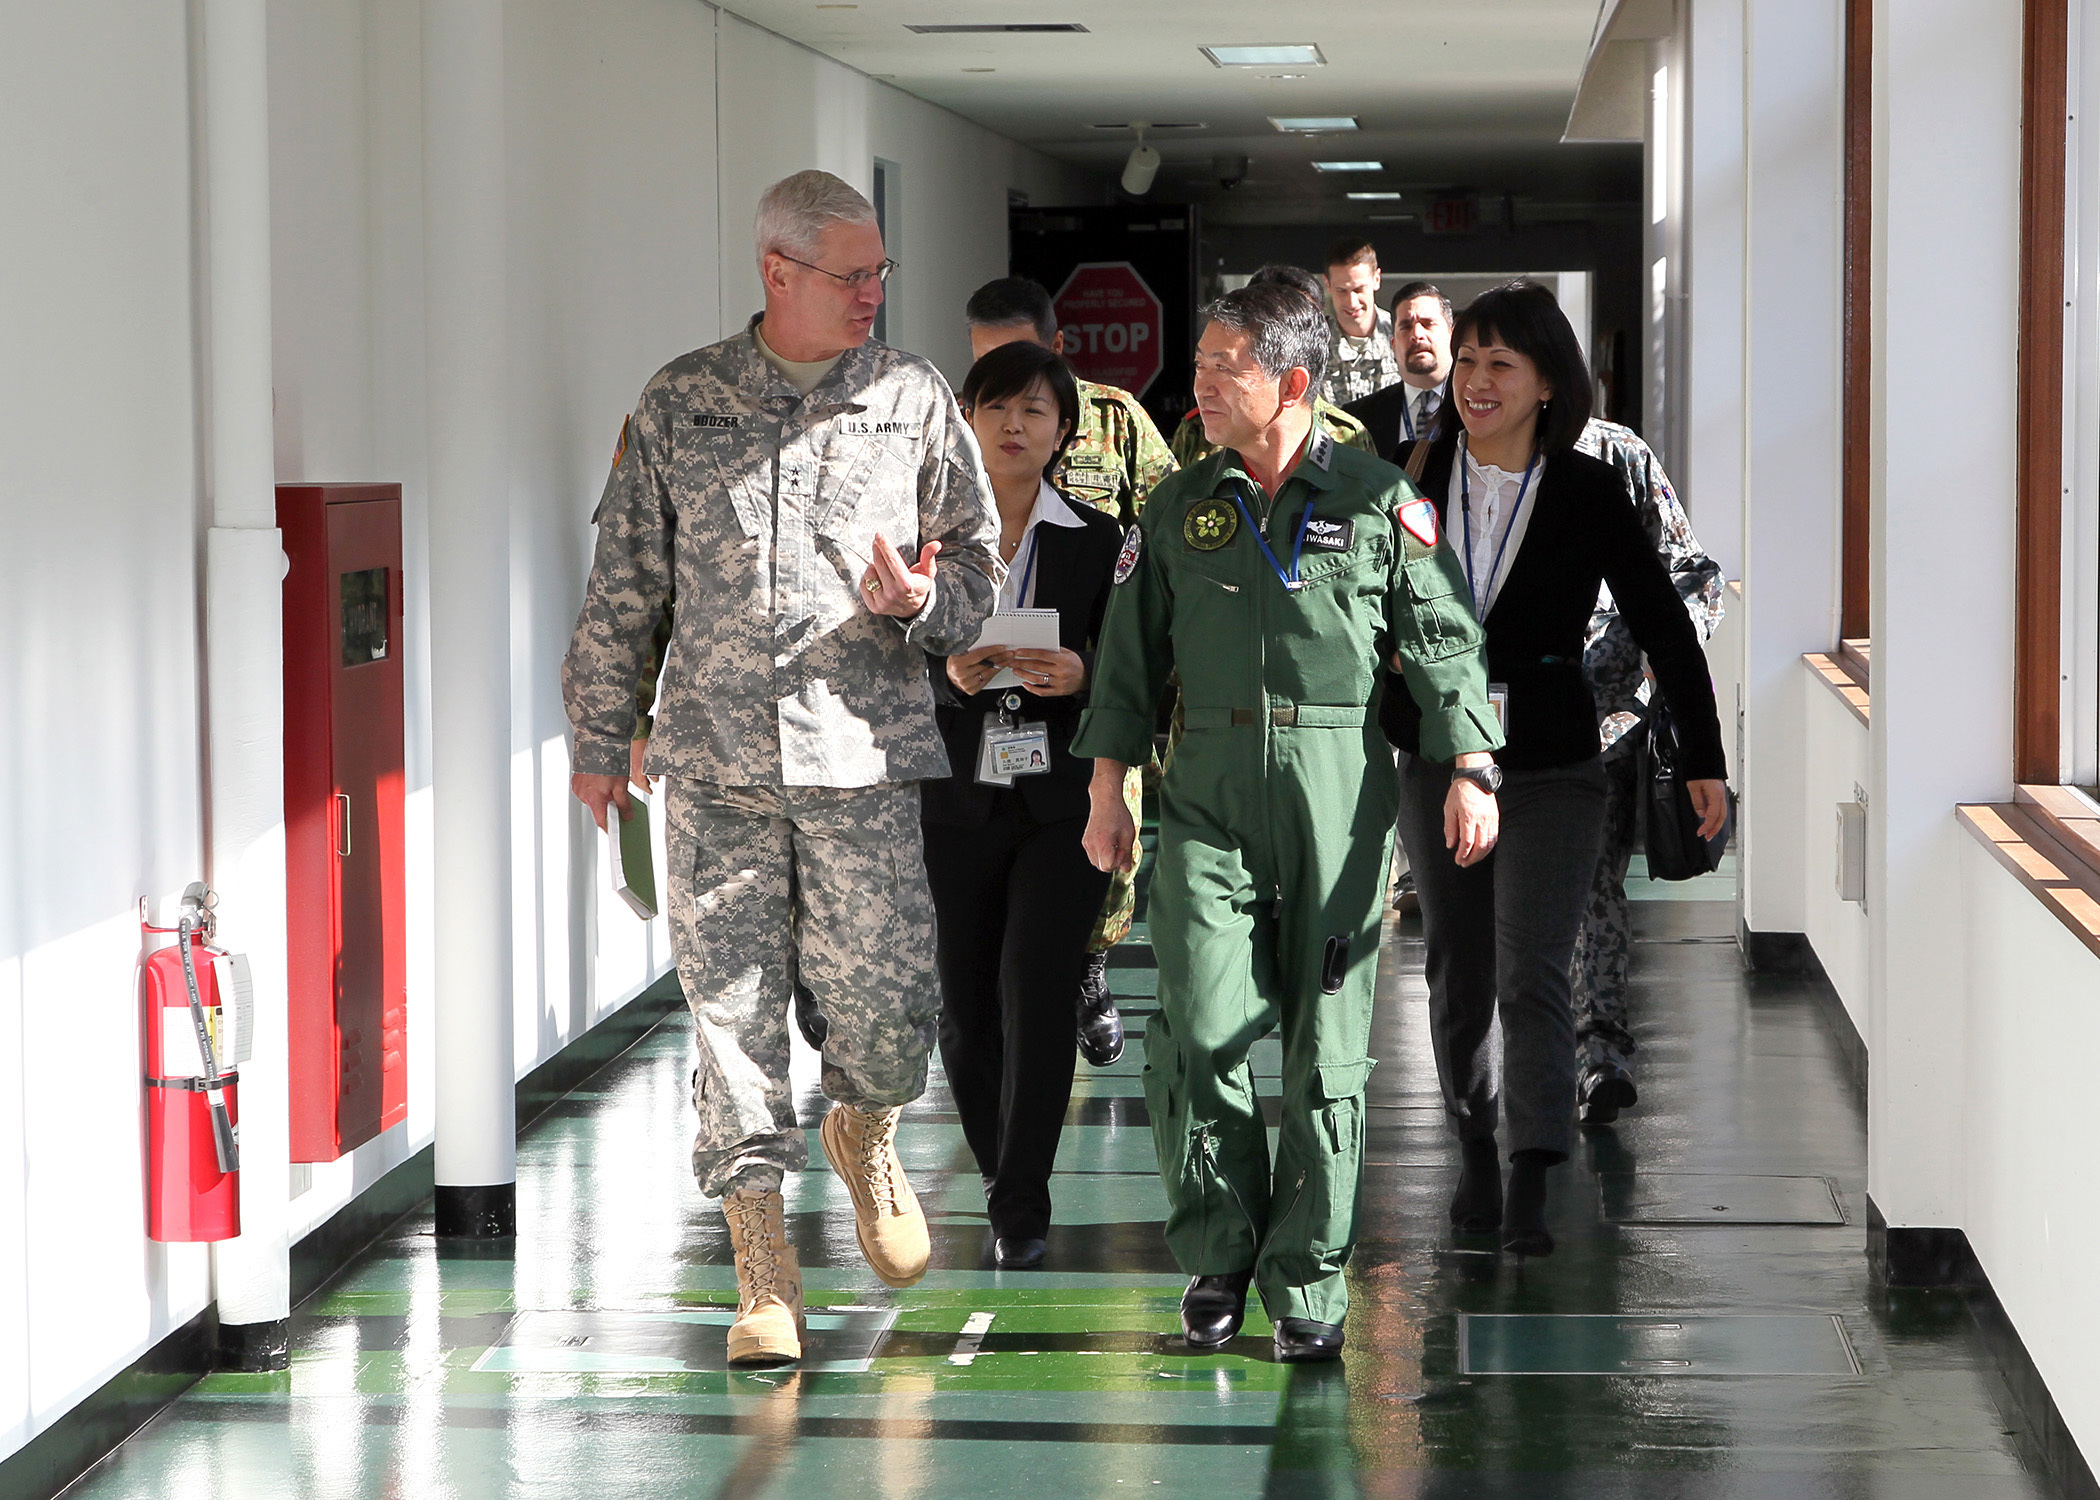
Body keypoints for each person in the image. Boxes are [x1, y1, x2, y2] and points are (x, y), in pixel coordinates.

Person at [563, 169, 1001, 1367]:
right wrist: (601, 737)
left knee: (887, 1013)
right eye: (851, 275)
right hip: (715, 773)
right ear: (778, 273)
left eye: (879, 274)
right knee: (730, 1024)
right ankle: (764, 1275)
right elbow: (626, 587)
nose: (873, 293)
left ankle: (864, 1128)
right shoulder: (681, 402)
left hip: (863, 767)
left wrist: (924, 601)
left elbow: (978, 574)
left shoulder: (912, 399)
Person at [1073, 283, 1503, 1363]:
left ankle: (1307, 1277)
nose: (1203, 385)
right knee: (1196, 1029)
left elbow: (1443, 635)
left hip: (1336, 789)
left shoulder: (1374, 500)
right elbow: (1128, 660)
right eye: (1203, 363)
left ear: (1294, 384)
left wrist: (1470, 766)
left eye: (1228, 367)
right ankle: (1219, 1256)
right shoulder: (1180, 507)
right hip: (1206, 790)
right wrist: (1106, 791)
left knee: (1328, 1051)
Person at [1382, 279, 1728, 1258]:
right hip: (1435, 756)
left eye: (1501, 364)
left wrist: (1700, 754)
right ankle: (1475, 1151)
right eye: (1468, 361)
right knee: (1460, 966)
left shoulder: (1588, 486)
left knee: (1533, 968)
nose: (1476, 381)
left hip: (1554, 762)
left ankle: (1534, 1165)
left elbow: (1665, 617)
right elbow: (1360, 602)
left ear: (1546, 384)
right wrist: (1386, 659)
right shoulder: (1409, 477)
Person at [923, 341, 1122, 1271]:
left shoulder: (1102, 536)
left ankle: (1022, 1200)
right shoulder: (926, 533)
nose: (1014, 426)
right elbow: (878, 648)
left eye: (1035, 412)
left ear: (1063, 432)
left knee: (1035, 993)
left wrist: (1083, 672)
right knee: (964, 1012)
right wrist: (944, 666)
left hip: (1062, 799)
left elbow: (1134, 663)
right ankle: (1002, 1166)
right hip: (953, 795)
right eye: (997, 407)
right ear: (966, 417)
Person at [964, 276, 1181, 1069]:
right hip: (979, 698)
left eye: (1021, 367)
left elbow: (1162, 532)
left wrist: (1109, 663)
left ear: (1057, 351)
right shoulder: (953, 431)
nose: (1005, 400)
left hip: (1086, 687)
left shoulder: (1115, 421)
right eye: (985, 370)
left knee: (1103, 851)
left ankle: (1090, 968)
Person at [1566, 421, 1726, 1123]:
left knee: (1591, 884)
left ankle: (1600, 1053)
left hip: (1604, 723)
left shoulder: (1617, 455)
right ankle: (1525, 1059)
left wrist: (1666, 648)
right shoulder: (1458, 453)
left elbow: (1694, 573)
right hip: (1487, 724)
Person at [1169, 265, 1377, 468]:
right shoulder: (1198, 429)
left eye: (1297, 317)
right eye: (1200, 365)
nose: (1202, 389)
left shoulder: (1348, 434)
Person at [1344, 282, 1456, 460]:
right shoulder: (1358, 418)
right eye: (1405, 326)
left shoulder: (1478, 405)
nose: (1417, 334)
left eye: (1427, 324)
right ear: (1393, 345)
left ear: (1452, 336)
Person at [1319, 238, 1403, 406]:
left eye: (1358, 289)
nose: (1352, 302)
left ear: (1376, 279)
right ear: (1327, 284)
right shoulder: (1315, 343)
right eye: (1341, 291)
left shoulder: (1402, 335)